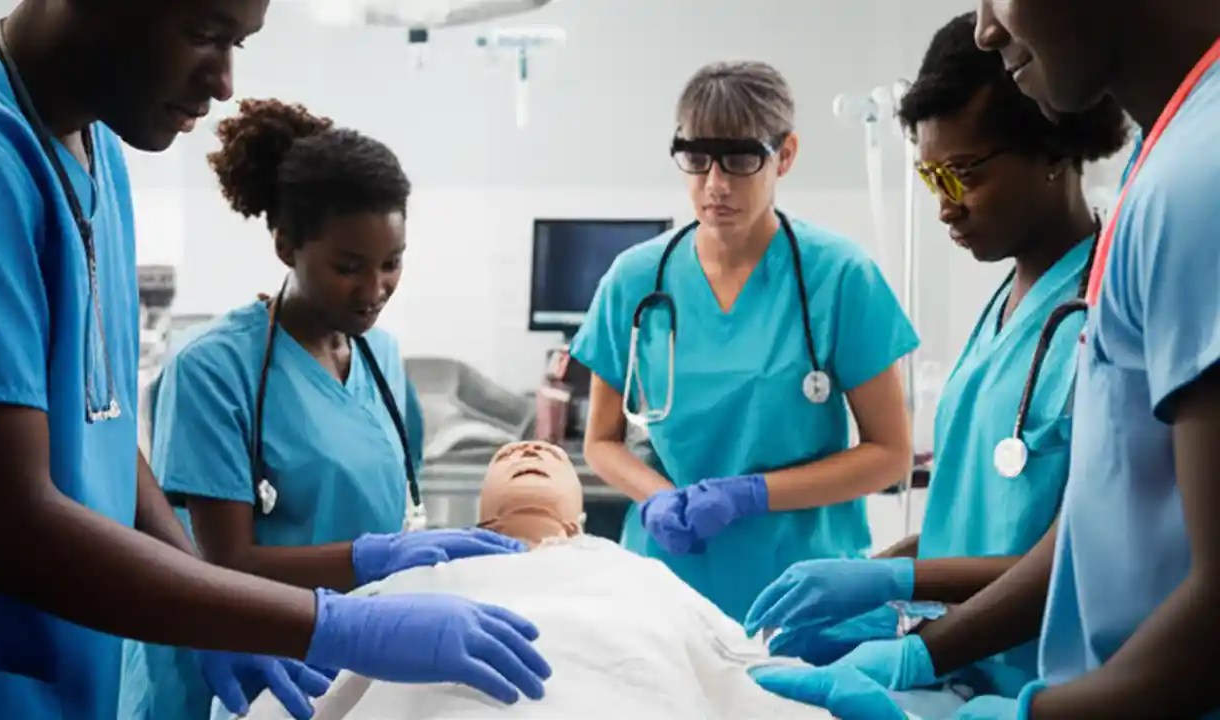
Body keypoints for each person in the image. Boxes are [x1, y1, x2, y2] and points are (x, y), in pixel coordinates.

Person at [0, 3, 550, 719]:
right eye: (201, 31)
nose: (226, 81)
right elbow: (6, 526)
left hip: (71, 682)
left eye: (238, 41)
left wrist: (212, 611)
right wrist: (333, 622)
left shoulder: (95, 147)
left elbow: (99, 422)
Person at [746, 1, 1220, 717]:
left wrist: (942, 656)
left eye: (961, 174)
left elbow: (1113, 558)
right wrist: (886, 585)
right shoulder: (1128, 208)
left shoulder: (1191, 184)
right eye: (932, 180)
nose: (986, 28)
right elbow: (1094, 522)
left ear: (1053, 150)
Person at [120, 97, 538, 718]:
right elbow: (225, 561)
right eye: (348, 267)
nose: (374, 291)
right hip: (228, 666)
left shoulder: (382, 358)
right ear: (286, 244)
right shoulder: (212, 369)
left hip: (344, 664)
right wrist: (369, 557)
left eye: (391, 264)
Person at [234, 439, 963, 720]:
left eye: (547, 455)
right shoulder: (416, 574)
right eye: (510, 454)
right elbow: (306, 690)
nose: (526, 448)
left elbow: (738, 666)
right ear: (477, 510)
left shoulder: (631, 570)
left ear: (583, 517)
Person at [569, 60, 920, 624]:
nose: (715, 184)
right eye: (696, 157)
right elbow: (601, 442)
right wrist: (656, 495)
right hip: (669, 590)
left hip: (807, 590)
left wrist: (752, 494)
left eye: (740, 158)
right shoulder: (636, 280)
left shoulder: (839, 276)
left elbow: (889, 454)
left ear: (785, 154)